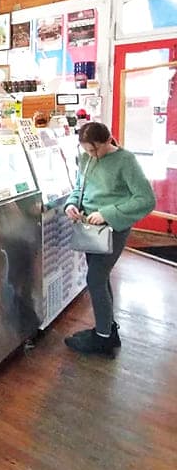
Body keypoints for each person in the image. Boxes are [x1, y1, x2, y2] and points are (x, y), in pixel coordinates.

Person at [63, 121, 155, 357]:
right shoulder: (86, 158)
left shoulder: (126, 160)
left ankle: (103, 337)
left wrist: (107, 213)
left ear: (108, 140)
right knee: (100, 279)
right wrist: (71, 204)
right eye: (87, 150)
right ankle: (108, 330)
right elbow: (79, 188)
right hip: (89, 229)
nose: (92, 155)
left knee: (95, 279)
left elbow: (145, 199)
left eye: (95, 149)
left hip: (113, 229)